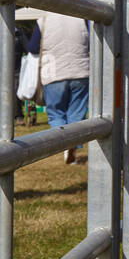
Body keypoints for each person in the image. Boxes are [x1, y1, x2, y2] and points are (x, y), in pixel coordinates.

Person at [33, 9, 90, 164]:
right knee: (76, 114)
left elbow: (32, 47)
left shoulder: (43, 20)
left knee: (56, 113)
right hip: (80, 72)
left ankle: (63, 145)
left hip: (53, 73)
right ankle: (73, 145)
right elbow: (92, 43)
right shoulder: (82, 19)